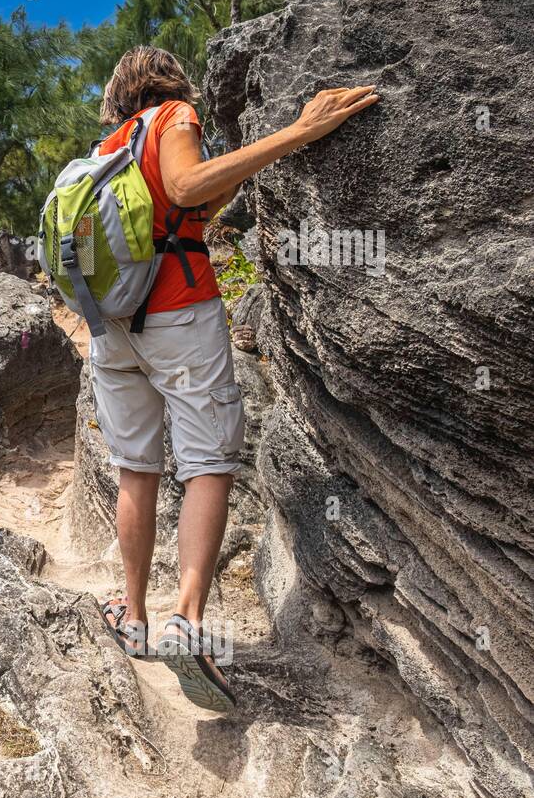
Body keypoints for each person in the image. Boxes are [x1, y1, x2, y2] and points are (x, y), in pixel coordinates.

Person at [93, 46, 378, 711]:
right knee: (207, 464)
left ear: (117, 96)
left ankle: (132, 615)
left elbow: (188, 204)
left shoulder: (111, 146)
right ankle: (186, 622)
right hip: (177, 314)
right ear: (169, 85)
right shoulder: (174, 117)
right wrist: (299, 133)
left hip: (109, 323)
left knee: (135, 468)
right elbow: (189, 189)